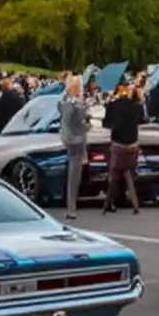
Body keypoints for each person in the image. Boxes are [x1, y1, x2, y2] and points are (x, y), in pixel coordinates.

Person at [102, 81, 144, 214]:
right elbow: (142, 119)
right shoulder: (136, 106)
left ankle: (111, 200)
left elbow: (107, 124)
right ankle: (131, 199)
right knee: (128, 172)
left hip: (118, 145)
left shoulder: (112, 105)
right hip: (132, 146)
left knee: (113, 171)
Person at [58, 77, 92, 220]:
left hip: (67, 139)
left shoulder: (63, 103)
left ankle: (71, 205)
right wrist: (88, 125)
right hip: (77, 140)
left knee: (72, 173)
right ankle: (72, 208)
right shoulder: (78, 106)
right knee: (74, 175)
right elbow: (80, 124)